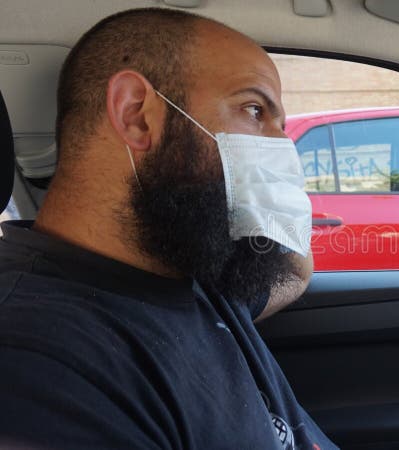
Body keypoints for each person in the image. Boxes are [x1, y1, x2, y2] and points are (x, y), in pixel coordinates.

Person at [0, 8, 330, 449]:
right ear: (137, 115)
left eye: (280, 125)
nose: (282, 148)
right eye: (254, 110)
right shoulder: (37, 363)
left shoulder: (182, 263)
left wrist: (278, 202)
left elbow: (293, 272)